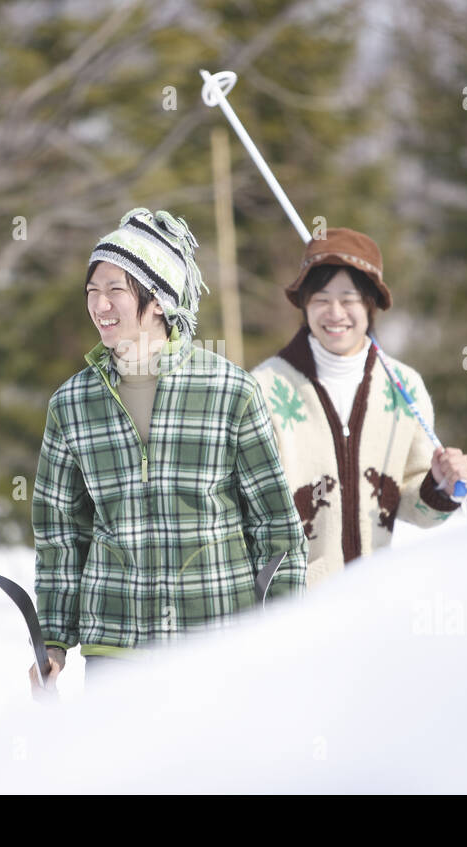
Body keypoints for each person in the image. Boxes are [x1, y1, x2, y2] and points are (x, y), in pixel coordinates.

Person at [29, 208, 307, 695]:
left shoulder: (229, 390)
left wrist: (285, 628)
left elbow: (275, 525)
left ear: (157, 300)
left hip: (217, 638)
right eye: (92, 292)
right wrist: (52, 641)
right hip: (115, 647)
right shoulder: (71, 404)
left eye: (116, 290)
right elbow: (60, 533)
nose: (100, 305)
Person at [250, 228, 467, 589]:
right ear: (304, 303)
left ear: (370, 305)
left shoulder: (404, 389)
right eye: (321, 298)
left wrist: (442, 486)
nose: (334, 313)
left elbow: (415, 504)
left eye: (349, 299)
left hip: (373, 602)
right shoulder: (263, 389)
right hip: (291, 607)